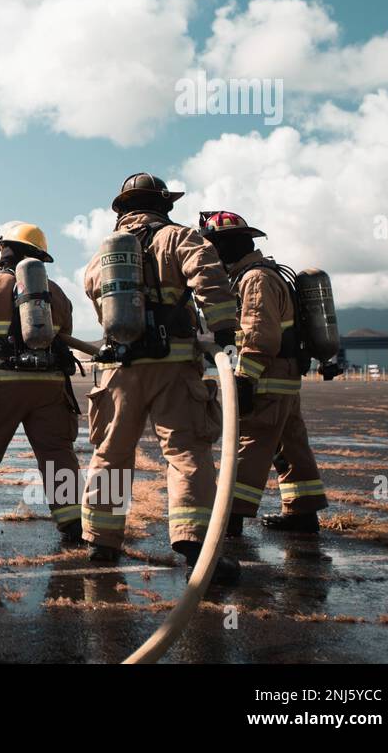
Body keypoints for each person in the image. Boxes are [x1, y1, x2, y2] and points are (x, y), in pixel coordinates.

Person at [81, 173, 242, 584]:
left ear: (123, 210)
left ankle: (102, 539)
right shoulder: (179, 238)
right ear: (164, 205)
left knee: (112, 453)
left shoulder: (105, 253)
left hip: (119, 369)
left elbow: (90, 289)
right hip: (173, 364)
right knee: (186, 452)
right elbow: (207, 273)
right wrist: (223, 327)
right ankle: (193, 541)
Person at [0, 222, 84, 542]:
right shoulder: (55, 293)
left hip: (1, 386)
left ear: (5, 251)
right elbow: (65, 330)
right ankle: (72, 521)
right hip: (49, 387)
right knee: (57, 452)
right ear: (36, 257)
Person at [200, 210, 327, 535]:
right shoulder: (260, 274)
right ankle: (303, 510)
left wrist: (245, 378)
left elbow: (260, 335)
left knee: (250, 443)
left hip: (266, 379)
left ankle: (230, 517)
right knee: (290, 444)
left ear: (228, 246)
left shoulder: (255, 279)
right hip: (282, 377)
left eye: (214, 247)